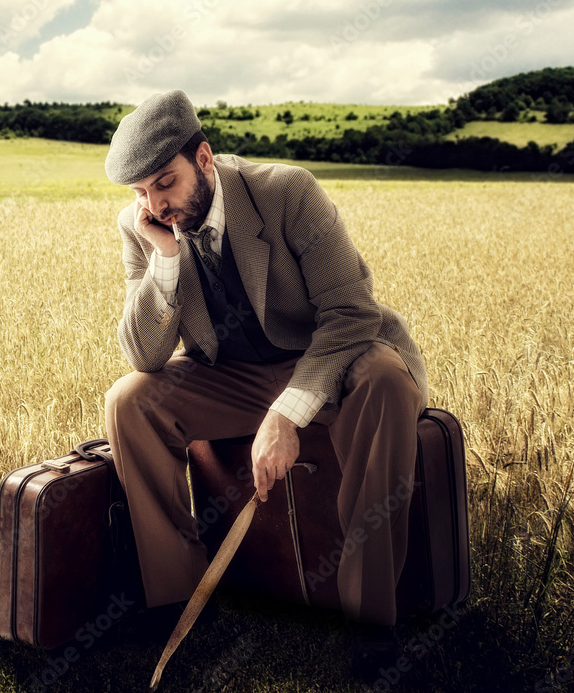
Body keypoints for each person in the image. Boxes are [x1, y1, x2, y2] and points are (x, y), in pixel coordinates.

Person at [103, 90, 429, 681]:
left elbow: (351, 312)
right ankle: (177, 600)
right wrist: (165, 259)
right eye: (140, 191)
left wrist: (288, 413)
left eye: (165, 183)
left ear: (204, 158)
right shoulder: (143, 225)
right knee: (129, 401)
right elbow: (145, 354)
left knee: (386, 381)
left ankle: (371, 620)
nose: (154, 204)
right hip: (233, 375)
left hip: (330, 358)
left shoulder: (287, 192)